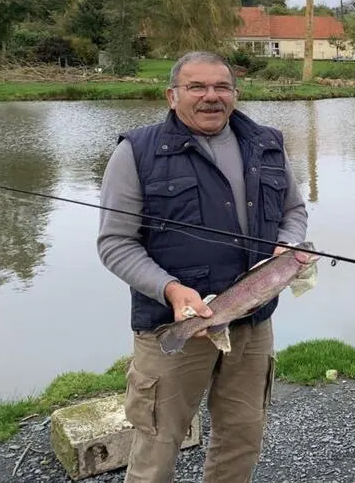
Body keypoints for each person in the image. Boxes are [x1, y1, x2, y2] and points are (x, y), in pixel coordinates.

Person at [97, 50, 313, 482]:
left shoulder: (267, 143)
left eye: (221, 87)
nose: (210, 97)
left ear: (235, 93)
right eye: (196, 87)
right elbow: (115, 244)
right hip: (173, 326)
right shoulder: (136, 153)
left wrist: (288, 246)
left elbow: (294, 210)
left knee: (241, 439)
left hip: (251, 325)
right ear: (172, 96)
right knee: (157, 447)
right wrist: (170, 290)